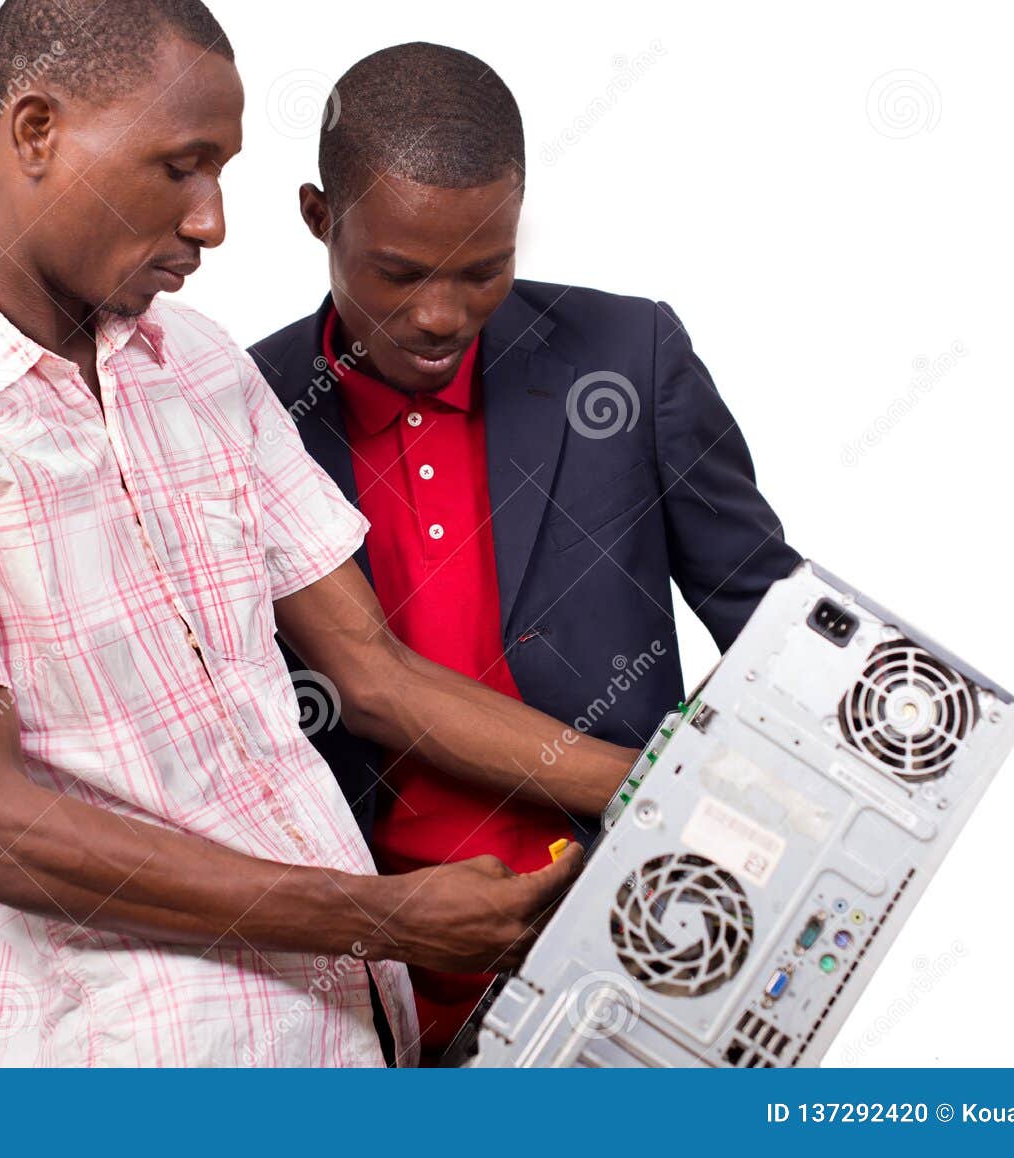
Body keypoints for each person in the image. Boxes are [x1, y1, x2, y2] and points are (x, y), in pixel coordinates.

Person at [0, 2, 637, 1067]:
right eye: (181, 166)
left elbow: (374, 672)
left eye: (221, 171)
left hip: (362, 1048)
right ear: (35, 131)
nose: (212, 222)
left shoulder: (204, 366)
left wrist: (664, 787)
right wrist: (384, 917)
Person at [250, 42, 801, 1060]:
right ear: (318, 218)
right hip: (362, 980)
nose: (441, 315)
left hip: (641, 931)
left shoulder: (626, 358)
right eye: (399, 273)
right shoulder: (244, 409)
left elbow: (776, 629)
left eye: (483, 269)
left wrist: (793, 822)